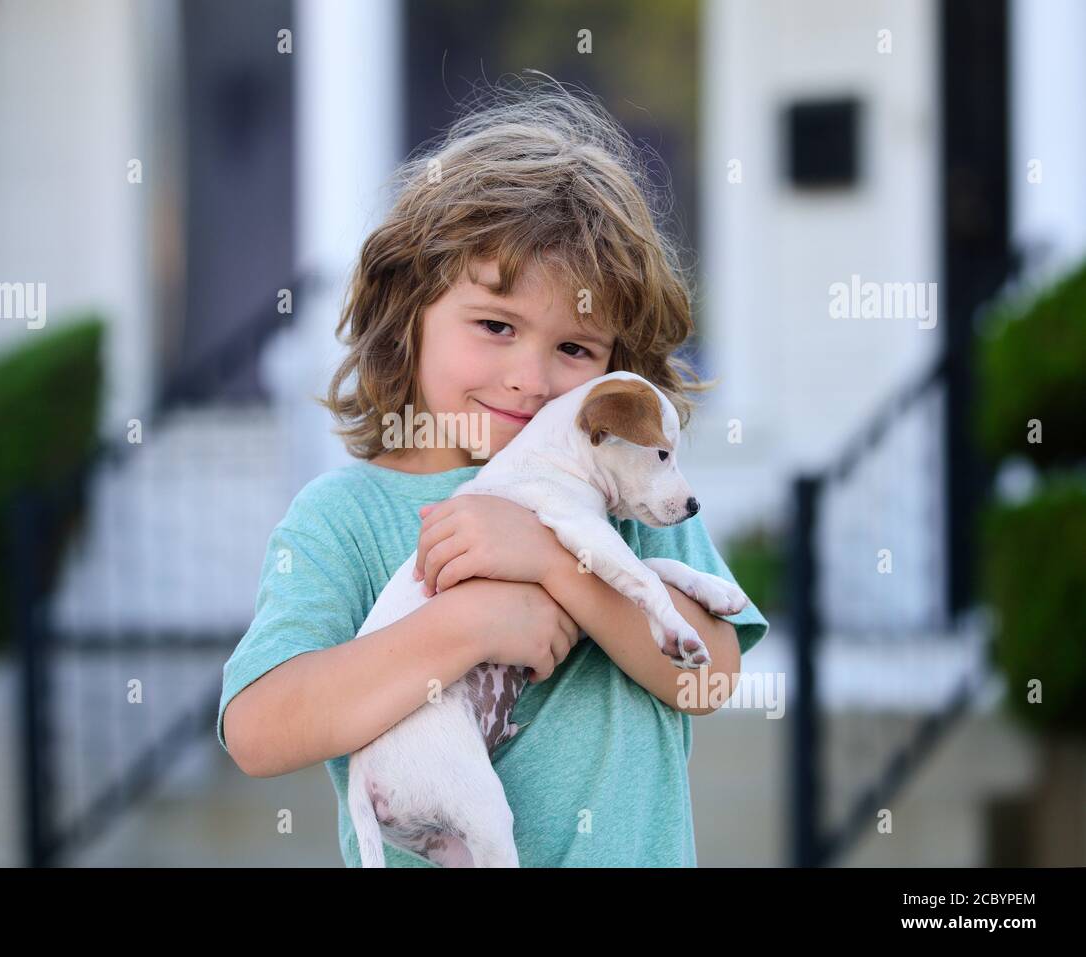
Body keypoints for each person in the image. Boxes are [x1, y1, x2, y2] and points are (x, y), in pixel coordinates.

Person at [217, 80, 769, 867]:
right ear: (407, 315)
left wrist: (555, 559)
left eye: (575, 348)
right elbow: (259, 728)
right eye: (496, 326)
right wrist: (466, 625)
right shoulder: (348, 515)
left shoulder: (630, 496)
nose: (531, 378)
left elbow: (708, 682)